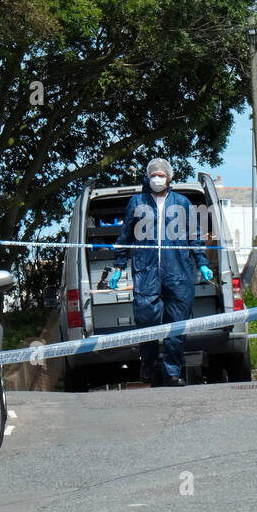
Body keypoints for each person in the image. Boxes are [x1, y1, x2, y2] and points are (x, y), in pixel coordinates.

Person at [108, 158, 212, 387]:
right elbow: (125, 237)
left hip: (178, 272)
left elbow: (194, 236)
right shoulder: (137, 202)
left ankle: (172, 372)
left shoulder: (183, 203)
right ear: (148, 176)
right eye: (153, 174)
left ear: (169, 177)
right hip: (146, 272)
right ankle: (148, 361)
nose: (157, 178)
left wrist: (202, 262)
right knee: (147, 318)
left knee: (177, 323)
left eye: (161, 175)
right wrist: (118, 267)